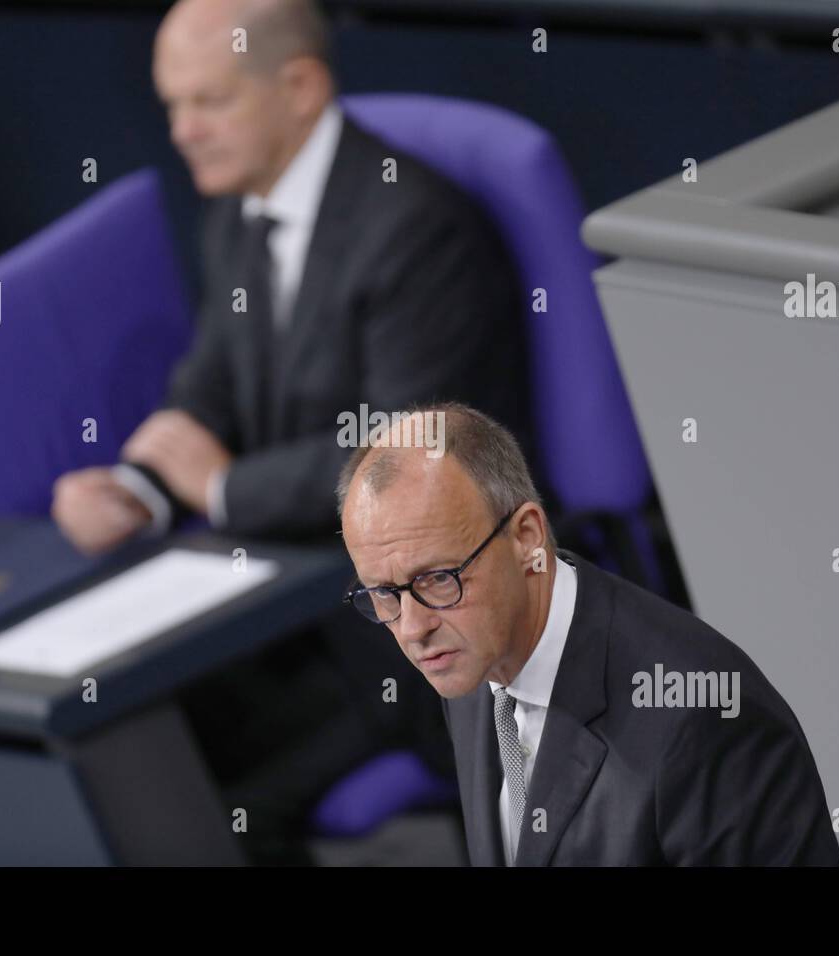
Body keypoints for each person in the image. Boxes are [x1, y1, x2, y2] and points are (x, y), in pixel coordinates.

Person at [51, 0, 531, 863]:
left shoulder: (416, 229)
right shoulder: (238, 212)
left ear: (300, 87)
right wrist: (137, 489)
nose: (182, 130)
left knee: (194, 796)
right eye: (170, 105)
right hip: (282, 599)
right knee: (116, 752)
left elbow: (413, 464)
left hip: (400, 621)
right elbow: (211, 388)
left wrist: (224, 489)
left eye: (208, 102)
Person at [337, 403, 839, 865]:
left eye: (438, 579)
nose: (412, 627)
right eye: (382, 592)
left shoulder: (701, 718)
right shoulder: (468, 657)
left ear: (527, 538)